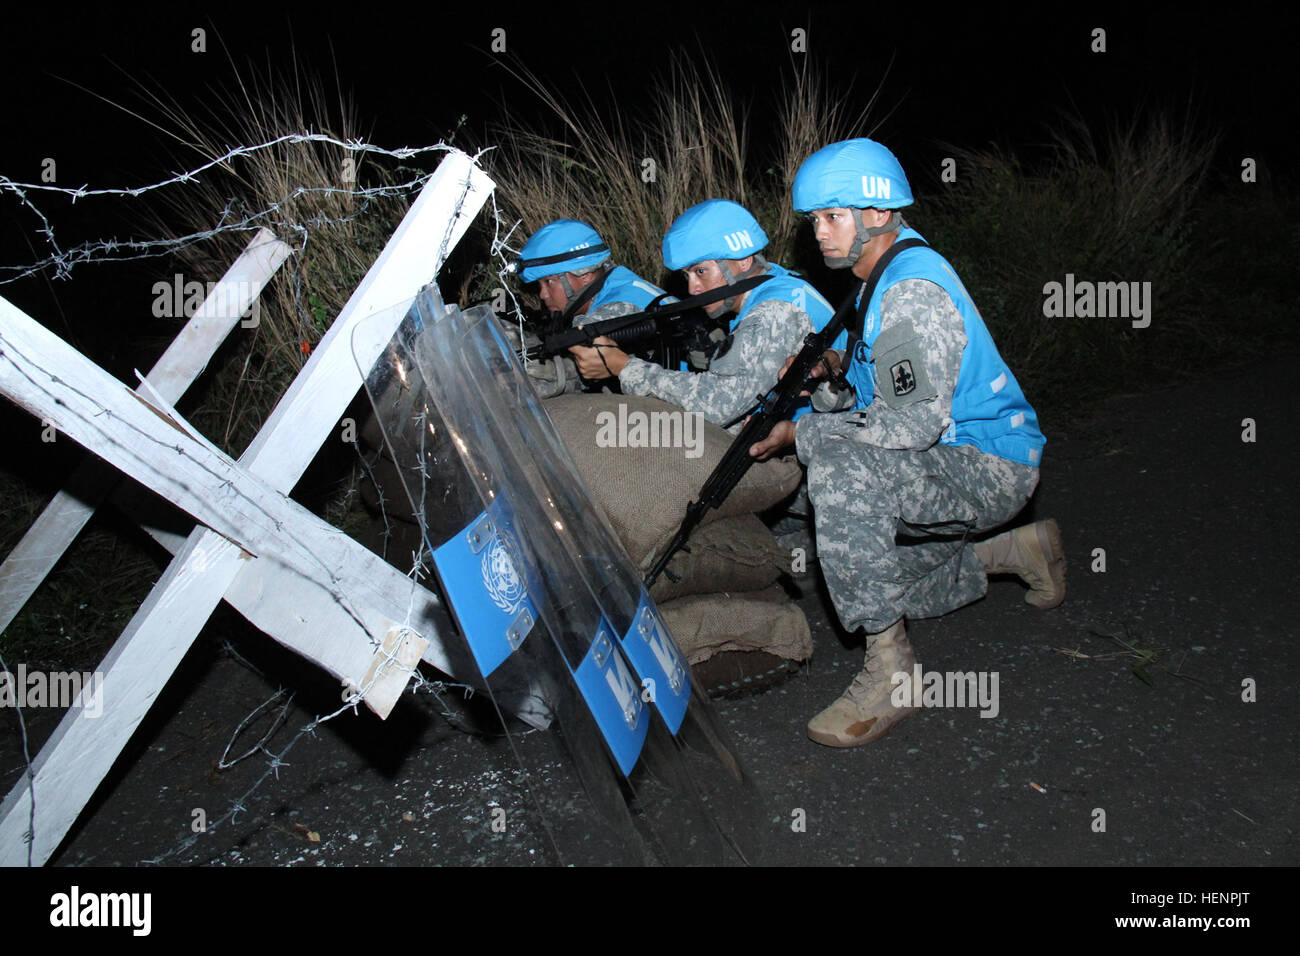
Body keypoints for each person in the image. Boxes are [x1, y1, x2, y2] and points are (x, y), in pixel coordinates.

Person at [749, 138, 1066, 748]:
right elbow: (884, 391)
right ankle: (1017, 551)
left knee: (838, 466)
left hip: (989, 464)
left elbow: (910, 425)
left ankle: (893, 674)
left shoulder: (910, 290)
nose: (819, 232)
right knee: (875, 579)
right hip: (952, 461)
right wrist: (832, 371)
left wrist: (798, 432)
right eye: (814, 219)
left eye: (832, 216)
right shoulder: (881, 279)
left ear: (878, 214)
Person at [570, 199, 837, 427]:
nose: (693, 289)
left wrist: (623, 367)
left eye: (700, 271)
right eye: (687, 275)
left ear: (742, 261)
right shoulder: (774, 282)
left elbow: (718, 405)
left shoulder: (772, 313)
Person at [510, 219, 672, 394]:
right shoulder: (620, 280)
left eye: (549, 282)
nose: (543, 295)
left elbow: (566, 377)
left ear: (585, 275)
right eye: (540, 286)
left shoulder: (614, 311)